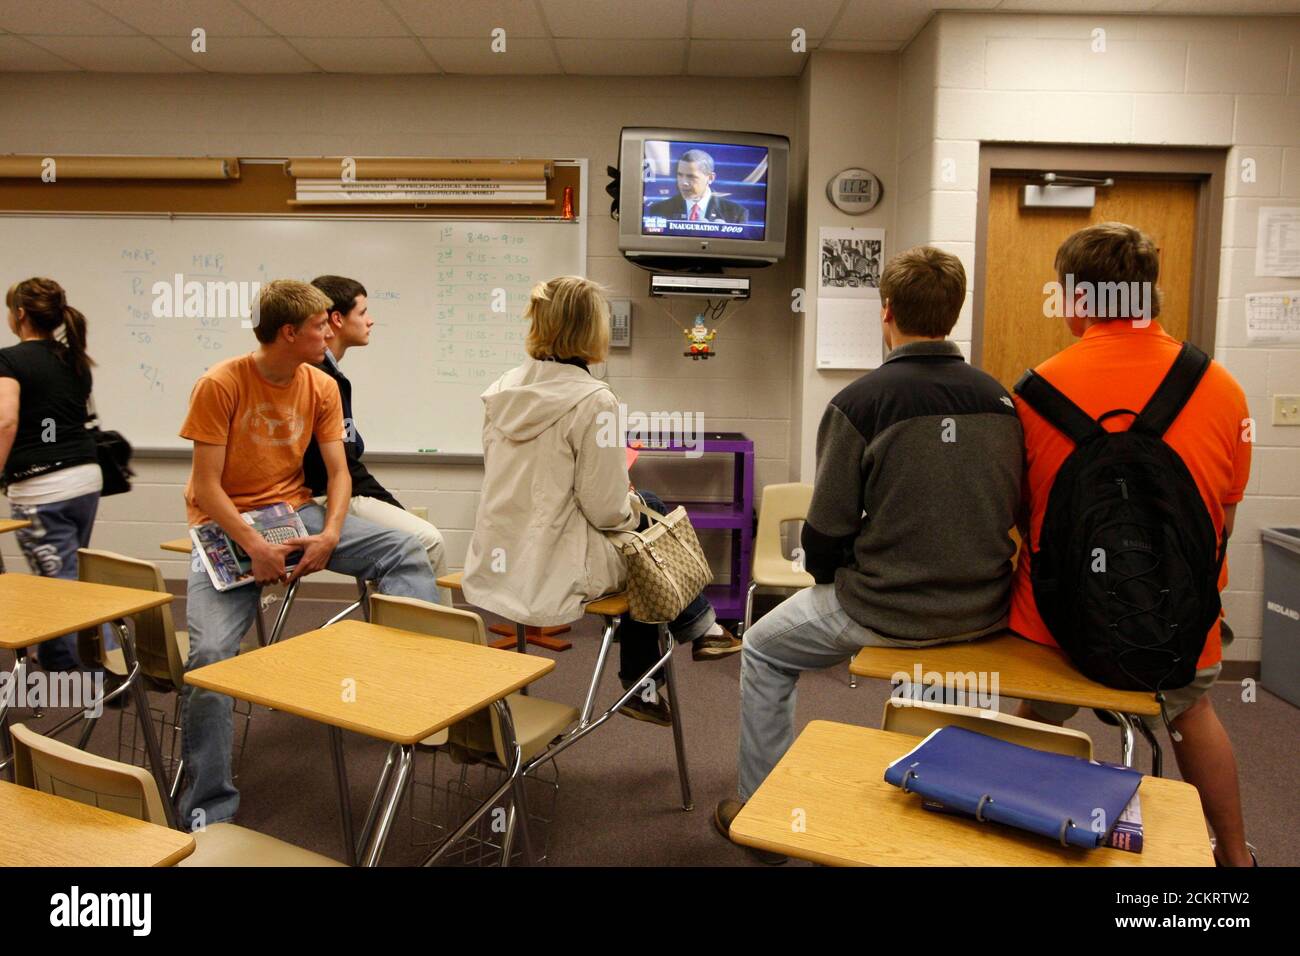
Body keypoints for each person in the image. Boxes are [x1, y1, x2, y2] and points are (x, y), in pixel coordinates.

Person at [714, 247, 1024, 859]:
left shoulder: (860, 402)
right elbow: (1011, 511)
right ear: (955, 314)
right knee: (934, 687)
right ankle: (932, 812)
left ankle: (764, 814)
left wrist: (836, 573)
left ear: (887, 313)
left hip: (883, 608)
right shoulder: (1003, 403)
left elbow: (824, 533)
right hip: (983, 611)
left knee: (761, 648)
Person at [1010, 222, 1256, 867]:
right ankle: (1234, 861)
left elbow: (1020, 518)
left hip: (1055, 635)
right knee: (1193, 715)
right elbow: (1223, 519)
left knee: (1033, 713)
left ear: (1077, 300)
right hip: (1177, 636)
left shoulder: (1032, 394)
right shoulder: (1221, 388)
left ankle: (1010, 836)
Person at [178, 279, 440, 826]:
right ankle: (208, 808)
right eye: (321, 325)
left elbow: (340, 475)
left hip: (297, 515)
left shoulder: (320, 385)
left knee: (406, 549)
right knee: (207, 664)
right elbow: (206, 489)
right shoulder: (220, 384)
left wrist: (329, 536)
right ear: (289, 332)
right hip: (227, 526)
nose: (330, 331)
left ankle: (414, 695)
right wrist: (254, 547)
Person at [462, 275, 740, 726]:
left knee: (643, 512)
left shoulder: (503, 389)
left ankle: (693, 633)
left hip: (501, 557)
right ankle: (666, 655)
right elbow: (607, 510)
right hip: (558, 565)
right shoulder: (596, 400)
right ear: (593, 330)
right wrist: (626, 498)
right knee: (647, 534)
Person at [302, 274, 452, 605]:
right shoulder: (318, 376)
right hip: (323, 499)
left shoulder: (331, 374)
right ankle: (441, 645)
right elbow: (341, 468)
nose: (371, 320)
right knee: (428, 540)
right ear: (337, 319)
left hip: (338, 491)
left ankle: (401, 629)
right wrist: (388, 504)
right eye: (363, 312)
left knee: (414, 531)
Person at [0, 278, 102, 672]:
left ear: (20, 314)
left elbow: (6, 422)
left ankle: (94, 664)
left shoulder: (9, 360)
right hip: (85, 478)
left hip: (42, 486)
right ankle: (82, 658)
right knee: (70, 572)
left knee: (58, 581)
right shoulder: (73, 358)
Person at [646, 149, 748, 224]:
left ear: (711, 178)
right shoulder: (658, 210)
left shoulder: (736, 214)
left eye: (691, 177)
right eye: (680, 175)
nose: (683, 182)